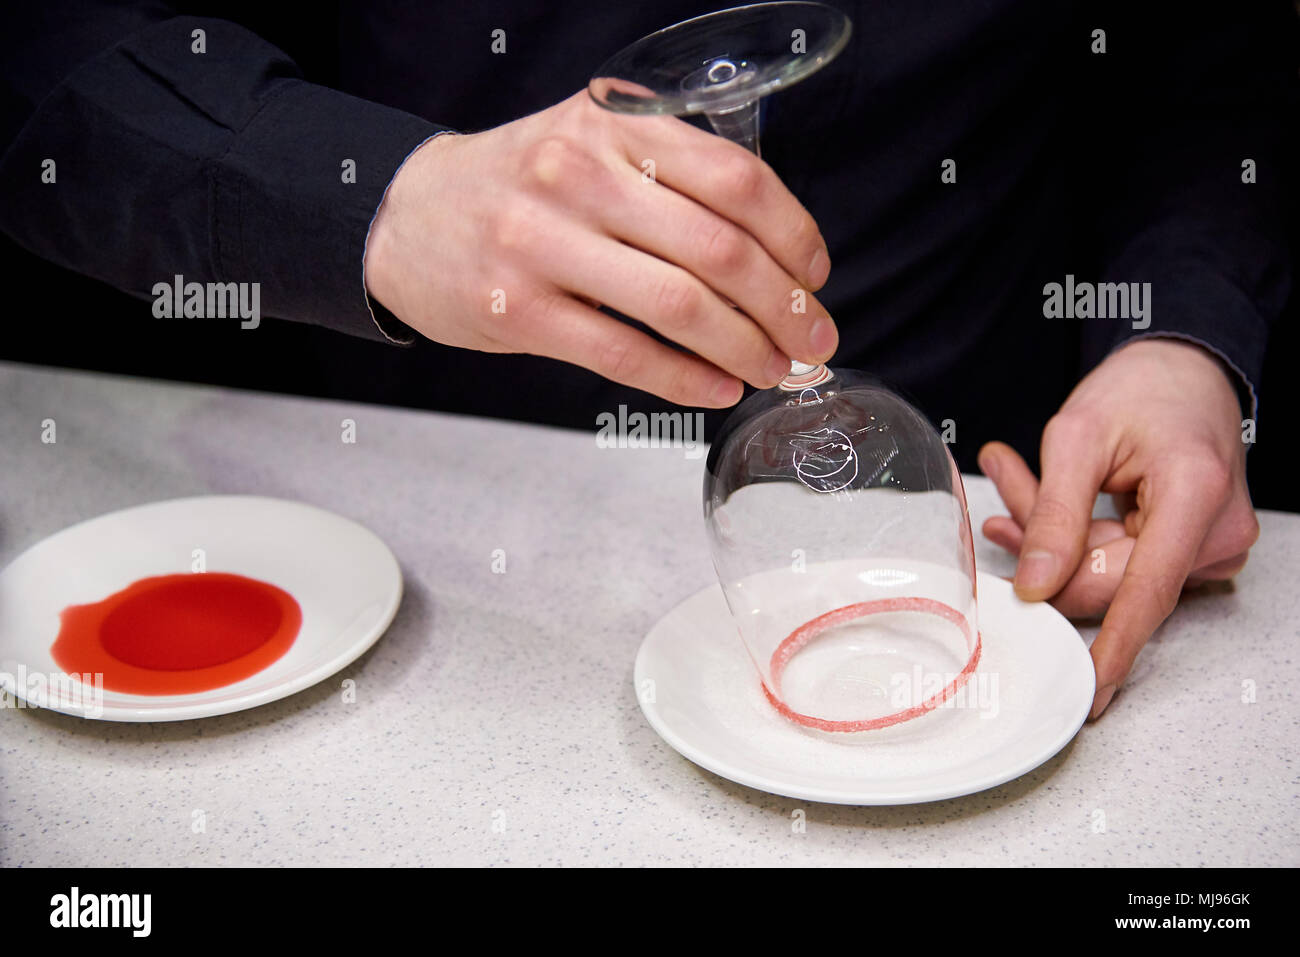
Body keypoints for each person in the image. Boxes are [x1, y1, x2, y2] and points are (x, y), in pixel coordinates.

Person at [1, 2, 1294, 720]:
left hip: (983, 532)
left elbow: (1212, 72)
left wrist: (1182, 336)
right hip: (438, 565)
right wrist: (374, 195)